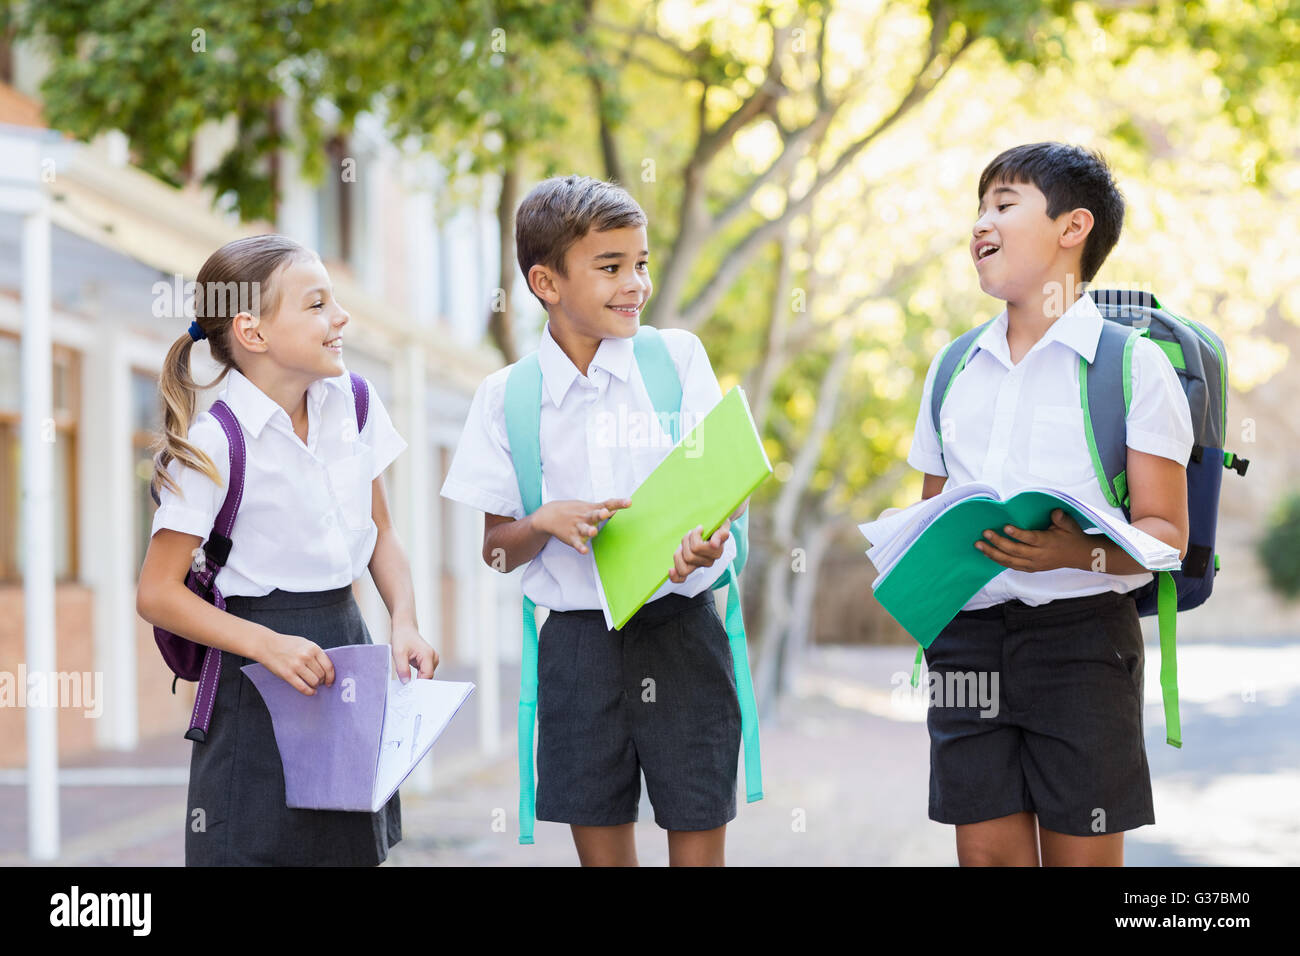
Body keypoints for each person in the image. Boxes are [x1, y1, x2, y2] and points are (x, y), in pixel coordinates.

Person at [441, 175, 748, 866]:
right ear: (546, 283)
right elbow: (494, 553)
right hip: (580, 649)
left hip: (683, 637)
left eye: (640, 263)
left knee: (699, 834)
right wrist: (543, 522)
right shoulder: (505, 400)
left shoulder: (675, 360)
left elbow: (720, 500)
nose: (634, 283)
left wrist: (706, 546)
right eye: (610, 268)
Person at [904, 142, 1193, 866]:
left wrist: (1076, 551)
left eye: (1004, 204)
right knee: (988, 857)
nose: (980, 223)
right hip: (967, 643)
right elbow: (929, 518)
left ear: (1074, 229)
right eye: (979, 208)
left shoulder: (1132, 366)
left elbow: (1168, 532)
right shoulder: (952, 368)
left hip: (1083, 644)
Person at [136, 234, 437, 866]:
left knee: (345, 849)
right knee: (254, 846)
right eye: (317, 304)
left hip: (346, 646)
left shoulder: (354, 403)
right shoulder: (216, 444)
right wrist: (266, 645)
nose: (341, 318)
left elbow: (382, 531)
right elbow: (157, 593)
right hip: (257, 666)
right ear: (253, 331)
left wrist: (403, 619)